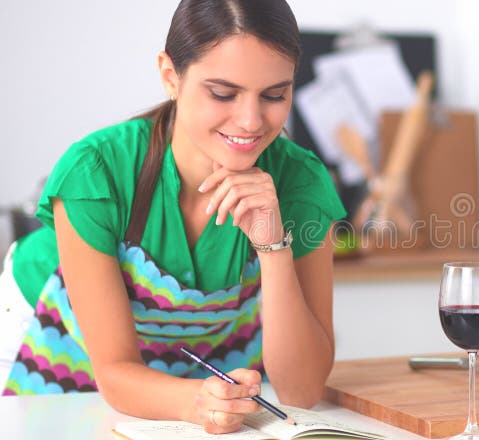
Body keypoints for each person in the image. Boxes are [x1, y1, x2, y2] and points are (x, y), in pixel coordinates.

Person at [0, 0, 346, 434]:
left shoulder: (301, 183)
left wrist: (273, 247)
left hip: (199, 364)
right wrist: (197, 401)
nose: (251, 120)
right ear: (170, 76)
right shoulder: (96, 170)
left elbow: (303, 390)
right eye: (223, 93)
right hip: (56, 335)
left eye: (275, 95)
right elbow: (114, 370)